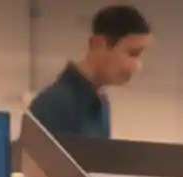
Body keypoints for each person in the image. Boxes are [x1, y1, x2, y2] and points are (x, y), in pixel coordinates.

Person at [28, 4, 152, 138]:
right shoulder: (55, 104)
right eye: (132, 53)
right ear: (98, 44)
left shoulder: (100, 104)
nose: (137, 66)